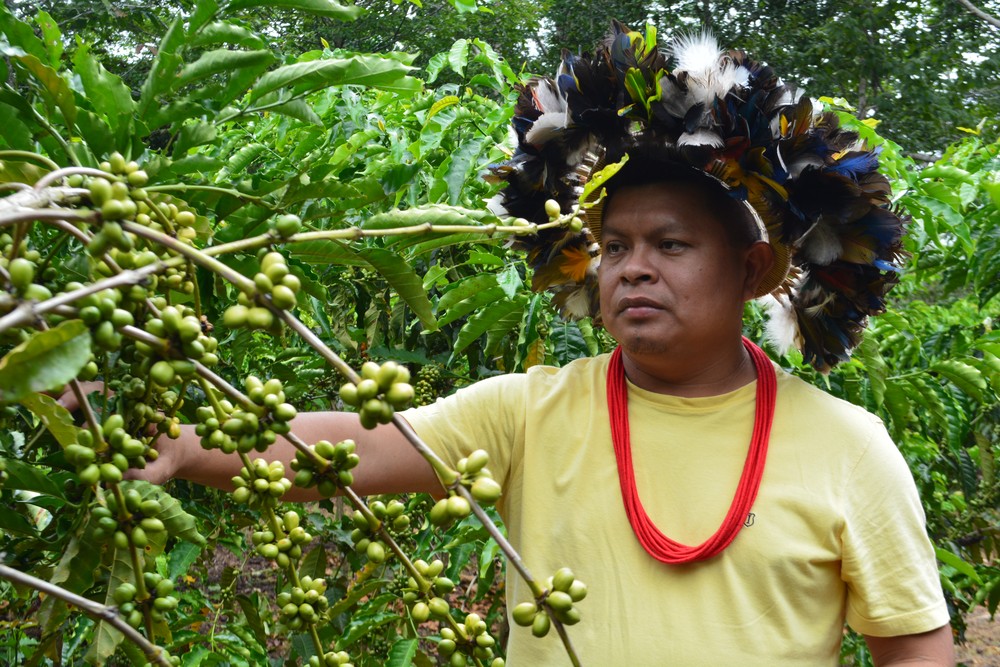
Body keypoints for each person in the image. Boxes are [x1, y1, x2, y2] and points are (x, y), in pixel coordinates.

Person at [78, 22, 954, 666]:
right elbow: (353, 447)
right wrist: (185, 446)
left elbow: (914, 646)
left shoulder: (847, 447)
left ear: (754, 269)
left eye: (670, 245)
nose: (631, 270)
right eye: (614, 247)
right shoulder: (531, 411)